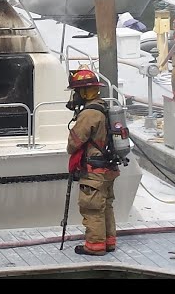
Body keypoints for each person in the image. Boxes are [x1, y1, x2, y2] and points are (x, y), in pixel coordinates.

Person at [65, 68, 121, 256]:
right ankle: (109, 242)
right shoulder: (104, 107)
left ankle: (95, 246)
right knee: (105, 207)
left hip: (94, 171)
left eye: (76, 92)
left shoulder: (89, 114)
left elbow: (74, 142)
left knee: (92, 209)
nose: (75, 96)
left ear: (83, 92)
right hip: (108, 169)